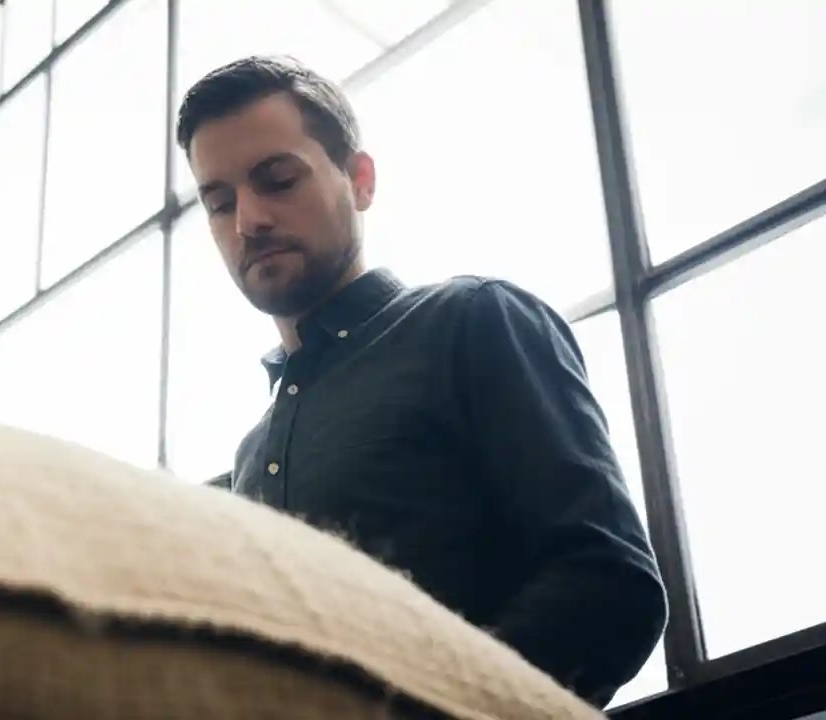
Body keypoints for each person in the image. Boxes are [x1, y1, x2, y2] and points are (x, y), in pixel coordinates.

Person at [178, 55, 666, 708]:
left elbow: (610, 586)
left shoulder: (470, 321)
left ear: (359, 180)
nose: (248, 221)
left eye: (277, 179)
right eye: (220, 202)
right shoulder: (250, 456)